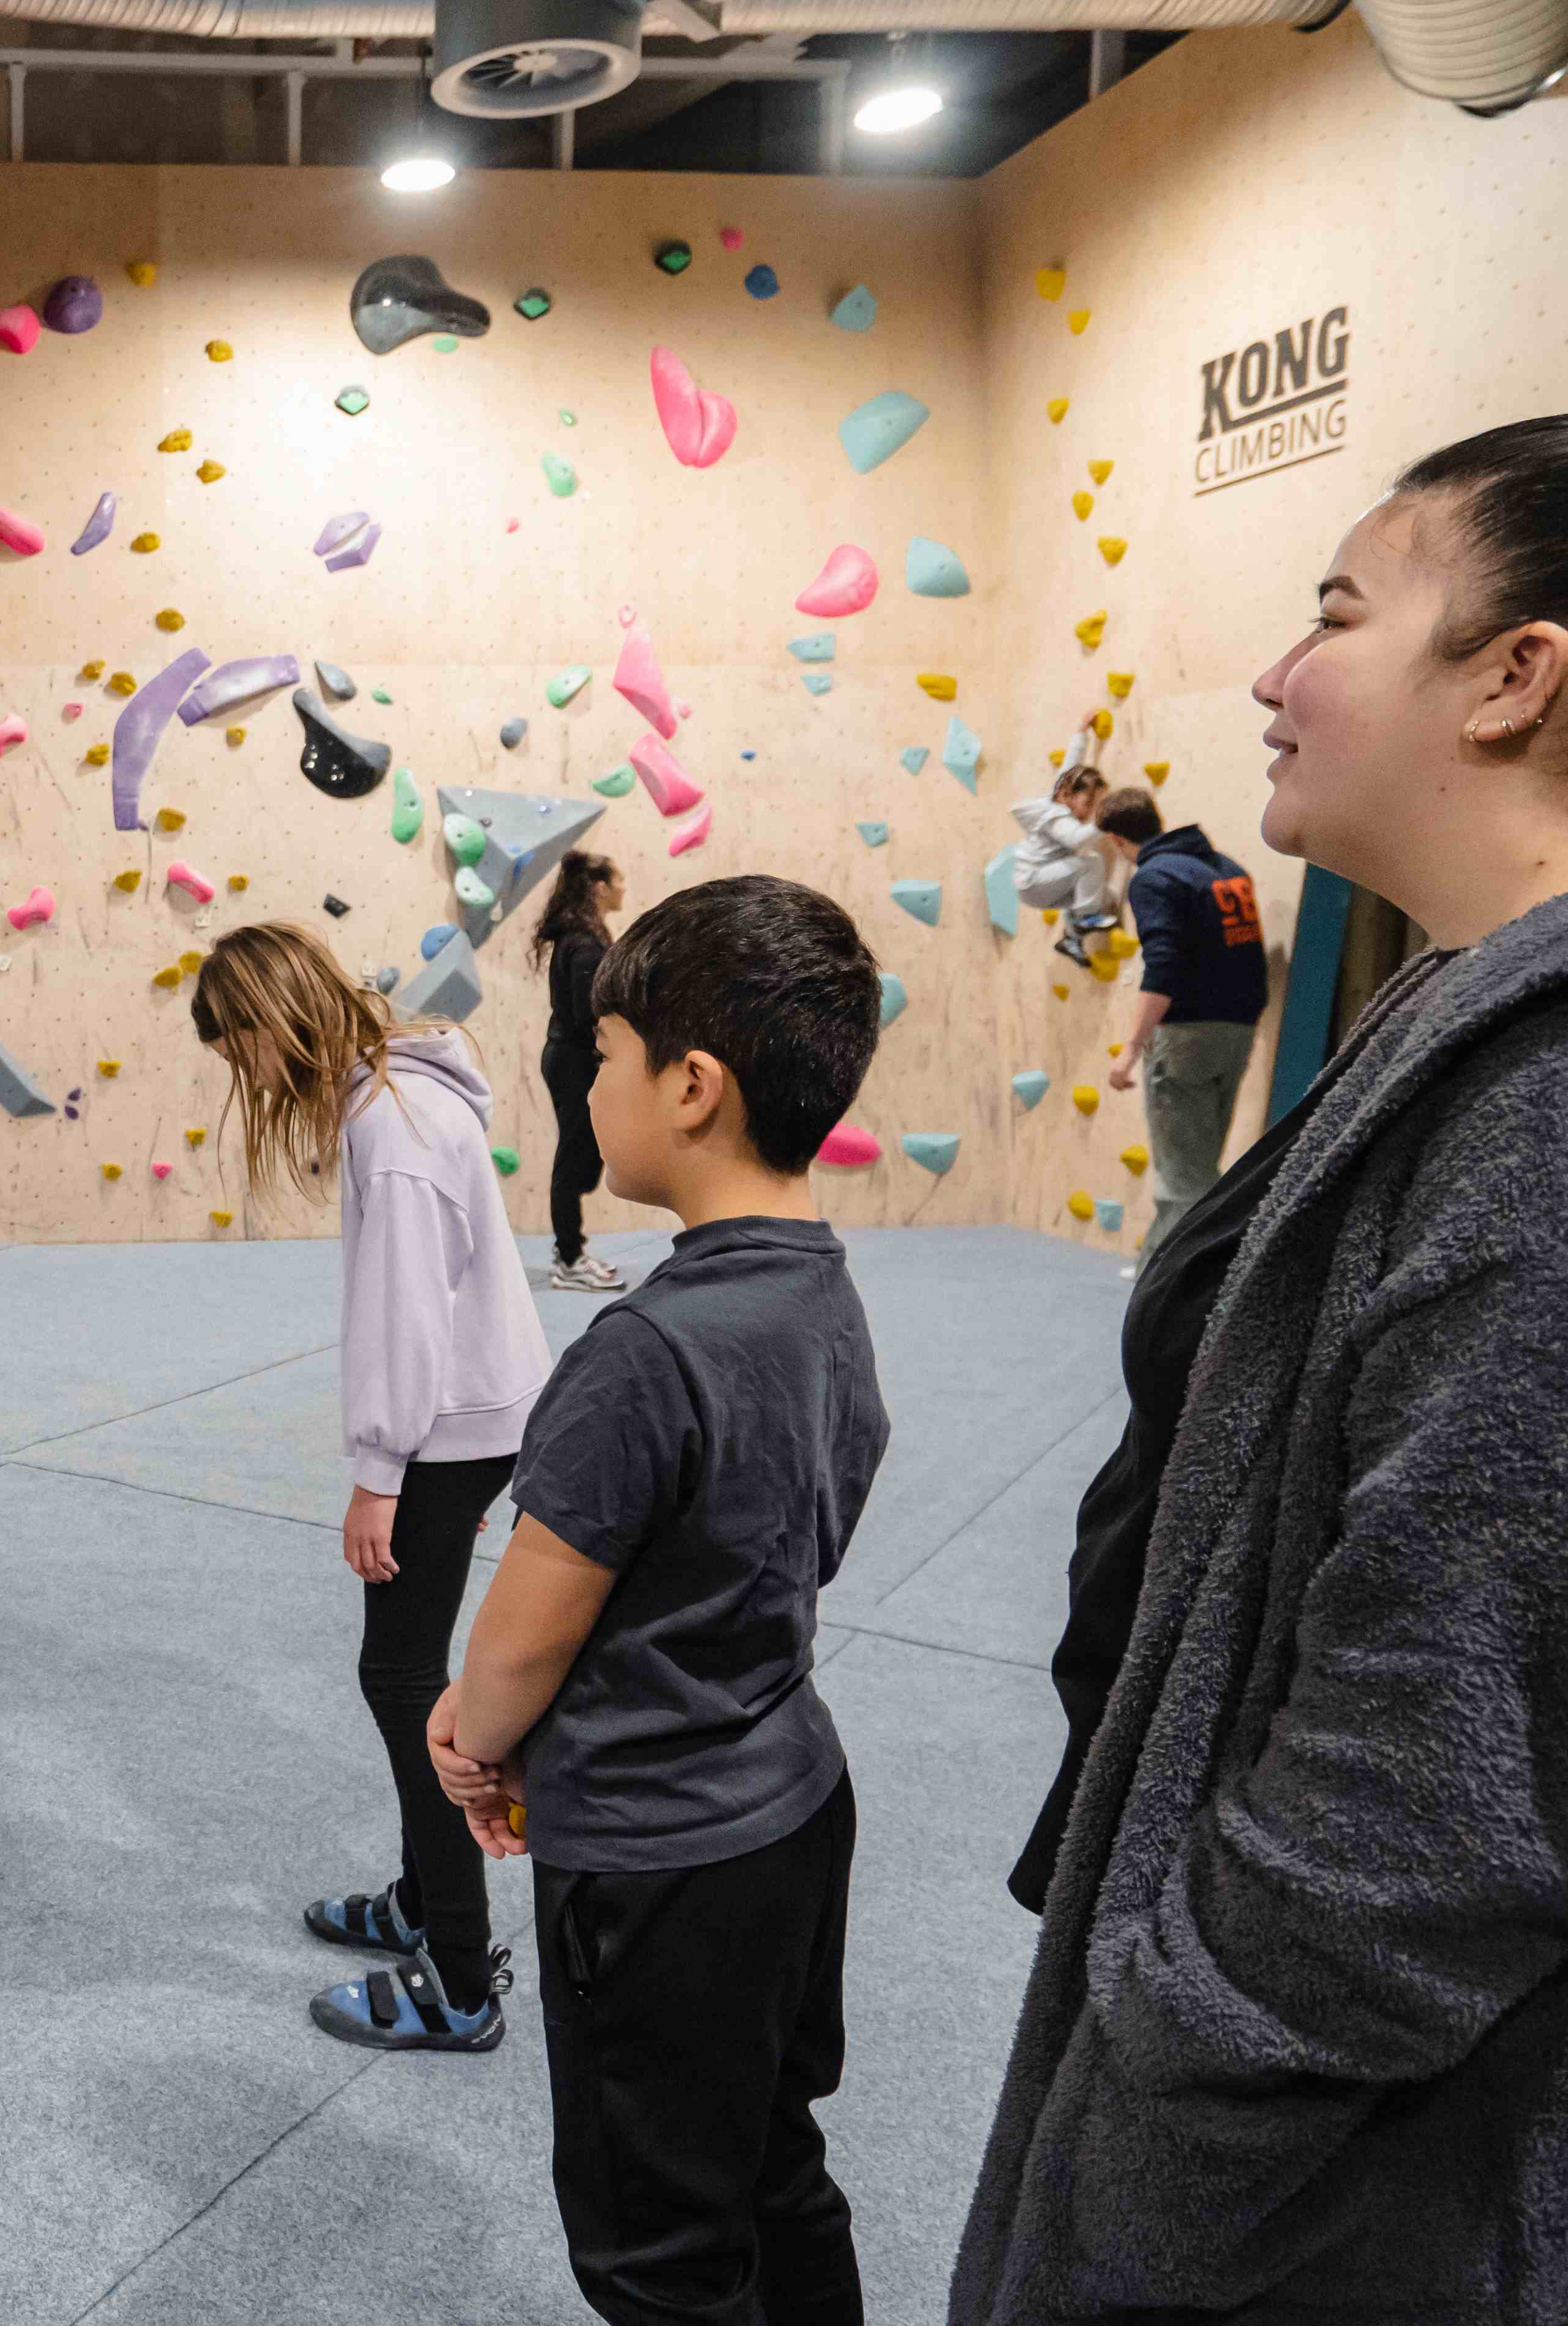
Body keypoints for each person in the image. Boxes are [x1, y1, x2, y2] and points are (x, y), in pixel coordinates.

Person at [958, 413, 1568, 2322]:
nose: (1273, 674)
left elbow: (1448, 1797)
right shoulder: (1471, 1011)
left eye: (1337, 614)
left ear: (1516, 676)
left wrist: (1168, 2101)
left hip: (1345, 2195)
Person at [428, 874, 889, 2326]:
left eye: (604, 1054)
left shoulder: (643, 1351)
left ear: (691, 1087)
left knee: (656, 2252)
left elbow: (525, 1632)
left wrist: (468, 1736)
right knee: (772, 2161)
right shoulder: (822, 1292)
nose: (585, 1081)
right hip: (794, 1807)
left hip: (657, 1858)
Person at [187, 924, 552, 2052]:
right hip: (476, 1411)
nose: (247, 1076)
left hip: (446, 1427)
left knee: (400, 1678)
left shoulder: (390, 1127)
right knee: (403, 1669)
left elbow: (407, 1318)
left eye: (238, 1049)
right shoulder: (395, 1094)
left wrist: (375, 1475)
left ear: (272, 1019)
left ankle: (459, 1977)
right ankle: (419, 1899)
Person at [1090, 784, 1267, 1259]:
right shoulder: (1227, 870)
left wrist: (1131, 1048)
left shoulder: (1154, 878)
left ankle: (1182, 1282)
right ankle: (1164, 1266)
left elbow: (1163, 966)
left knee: (1182, 1179)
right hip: (1238, 1029)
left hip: (1187, 1035)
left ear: (1117, 840)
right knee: (1199, 1165)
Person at [528, 850, 628, 1292]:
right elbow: (590, 1015)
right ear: (600, 888)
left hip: (575, 1060)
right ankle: (569, 1260)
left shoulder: (584, 937)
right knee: (573, 1158)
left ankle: (569, 1251)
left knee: (584, 1156)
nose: (624, 888)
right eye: (618, 881)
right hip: (573, 1063)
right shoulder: (584, 945)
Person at [996, 756, 1122, 965]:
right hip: (1034, 880)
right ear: (1067, 794)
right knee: (1091, 862)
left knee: (1102, 896)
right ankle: (1084, 919)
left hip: (1036, 886)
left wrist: (1081, 736)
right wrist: (1103, 824)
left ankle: (1071, 939)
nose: (1090, 811)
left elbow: (1072, 760)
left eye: (1095, 806)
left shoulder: (1062, 804)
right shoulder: (1057, 815)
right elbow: (1075, 839)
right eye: (1088, 804)